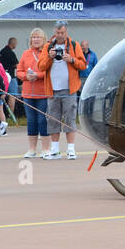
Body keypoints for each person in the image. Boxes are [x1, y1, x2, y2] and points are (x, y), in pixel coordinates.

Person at [42, 21, 85, 160]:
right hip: (52, 90)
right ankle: (54, 150)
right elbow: (41, 66)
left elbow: (83, 65)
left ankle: (71, 149)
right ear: (54, 32)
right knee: (53, 119)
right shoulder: (48, 46)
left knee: (69, 118)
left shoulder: (74, 45)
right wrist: (50, 56)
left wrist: (71, 59)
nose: (60, 35)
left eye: (62, 33)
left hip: (69, 89)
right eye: (57, 33)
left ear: (67, 32)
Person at [16, 28, 53, 158]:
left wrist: (37, 75)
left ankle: (46, 149)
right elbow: (19, 71)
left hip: (43, 93)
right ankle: (32, 149)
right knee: (31, 121)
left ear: (44, 40)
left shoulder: (48, 53)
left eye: (38, 37)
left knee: (42, 120)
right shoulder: (26, 53)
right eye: (33, 37)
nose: (35, 40)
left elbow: (49, 71)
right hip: (27, 93)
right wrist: (26, 76)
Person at [0, 37, 21, 121]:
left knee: (0, 96)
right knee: (13, 96)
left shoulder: (2, 51)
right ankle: (10, 115)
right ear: (13, 44)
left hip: (2, 77)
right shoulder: (11, 53)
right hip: (11, 77)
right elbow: (17, 65)